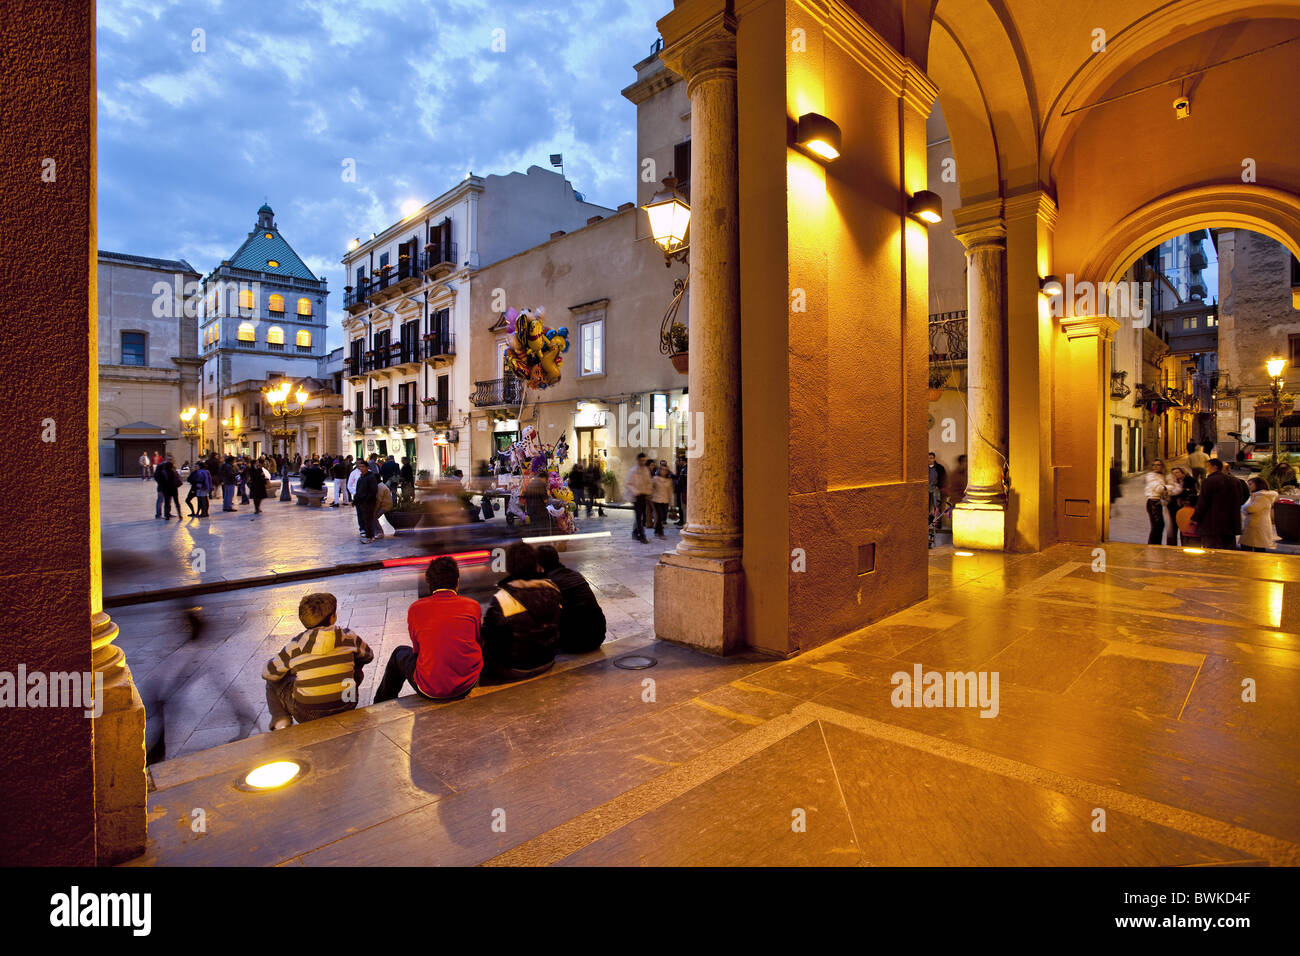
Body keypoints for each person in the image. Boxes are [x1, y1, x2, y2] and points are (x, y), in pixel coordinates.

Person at [373, 556, 484, 703]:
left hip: (430, 688)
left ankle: (381, 702)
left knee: (399, 653)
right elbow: (476, 640)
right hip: (467, 684)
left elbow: (417, 650)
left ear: (429, 583)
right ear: (457, 581)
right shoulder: (472, 606)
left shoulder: (416, 609)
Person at [263, 592, 373, 730]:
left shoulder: (296, 645)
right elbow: (369, 656)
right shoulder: (348, 636)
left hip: (307, 713)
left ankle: (281, 720)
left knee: (273, 681)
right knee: (356, 663)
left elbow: (268, 673)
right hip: (348, 702)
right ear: (333, 617)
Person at [480, 542, 562, 681]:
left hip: (516, 668)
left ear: (509, 567)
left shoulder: (502, 599)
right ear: (536, 564)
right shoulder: (553, 589)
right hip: (548, 660)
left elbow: (488, 638)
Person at [536, 544, 606, 653]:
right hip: (598, 636)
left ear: (540, 566)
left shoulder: (548, 584)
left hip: (574, 643)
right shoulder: (575, 575)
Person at [1190, 458, 1248, 549]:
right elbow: (1241, 498)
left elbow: (1203, 503)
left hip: (1212, 523)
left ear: (1214, 467)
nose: (1206, 468)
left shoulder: (1208, 481)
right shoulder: (1235, 481)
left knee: (1213, 550)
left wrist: (1195, 518)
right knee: (1228, 549)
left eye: (1207, 466)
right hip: (1230, 523)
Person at [1240, 477, 1279, 552]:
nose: (1249, 486)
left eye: (1251, 484)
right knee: (1251, 546)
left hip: (1257, 526)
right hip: (1254, 525)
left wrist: (1244, 508)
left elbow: (1251, 508)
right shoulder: (1256, 495)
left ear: (1258, 484)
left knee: (1255, 547)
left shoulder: (1262, 496)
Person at [626, 453, 651, 543]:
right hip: (636, 497)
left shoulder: (646, 470)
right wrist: (636, 492)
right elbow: (629, 483)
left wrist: (648, 492)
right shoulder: (633, 471)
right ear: (638, 460)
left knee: (642, 517)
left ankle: (635, 532)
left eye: (644, 460)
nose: (643, 462)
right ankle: (642, 535)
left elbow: (648, 482)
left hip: (644, 496)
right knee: (638, 517)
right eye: (642, 460)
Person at [1143, 459, 1168, 545]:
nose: (1156, 466)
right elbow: (1158, 488)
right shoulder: (1151, 476)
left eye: (1158, 465)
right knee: (1157, 526)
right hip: (1153, 502)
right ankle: (1153, 545)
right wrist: (1168, 487)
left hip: (1159, 502)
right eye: (1154, 465)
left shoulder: (1162, 476)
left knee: (1160, 526)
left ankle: (1156, 544)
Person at [354, 461, 379, 541]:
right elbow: (358, 490)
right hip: (361, 502)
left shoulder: (371, 477)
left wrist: (366, 499)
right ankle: (368, 535)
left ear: (367, 467)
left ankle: (370, 536)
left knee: (368, 519)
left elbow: (373, 490)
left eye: (363, 467)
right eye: (360, 467)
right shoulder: (361, 477)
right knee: (364, 519)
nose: (361, 468)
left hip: (368, 502)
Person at [154, 455, 181, 519]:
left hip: (170, 488)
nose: (170, 460)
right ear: (165, 459)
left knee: (168, 501)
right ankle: (158, 514)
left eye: (171, 459)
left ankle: (167, 513)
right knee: (160, 500)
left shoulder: (172, 466)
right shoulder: (160, 466)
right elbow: (156, 476)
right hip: (162, 487)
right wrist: (162, 484)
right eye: (169, 459)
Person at [651, 465, 674, 538]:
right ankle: (661, 533)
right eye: (662, 469)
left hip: (665, 500)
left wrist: (672, 503)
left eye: (666, 470)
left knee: (663, 516)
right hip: (656, 500)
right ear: (659, 470)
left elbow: (670, 492)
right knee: (659, 516)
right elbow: (650, 487)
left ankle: (656, 531)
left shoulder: (669, 480)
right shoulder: (655, 479)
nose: (664, 471)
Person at [674, 456, 688, 526]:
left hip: (684, 490)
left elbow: (681, 481)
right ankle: (683, 521)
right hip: (683, 490)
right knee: (683, 507)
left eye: (680, 461)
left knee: (684, 507)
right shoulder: (683, 468)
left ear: (683, 461)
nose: (679, 462)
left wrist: (676, 482)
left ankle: (685, 523)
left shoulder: (684, 469)